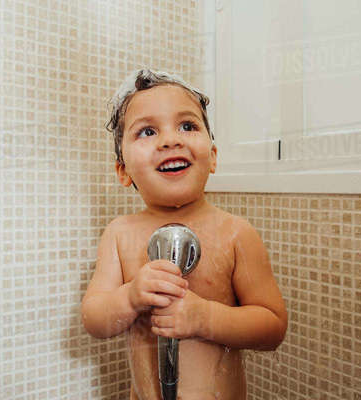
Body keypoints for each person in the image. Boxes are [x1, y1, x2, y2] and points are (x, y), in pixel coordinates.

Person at [81, 69, 287, 400]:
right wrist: (131, 296)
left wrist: (205, 318)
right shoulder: (119, 234)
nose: (170, 140)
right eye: (147, 131)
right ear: (123, 170)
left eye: (187, 126)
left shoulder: (235, 234)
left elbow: (272, 327)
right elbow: (95, 320)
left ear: (214, 157)